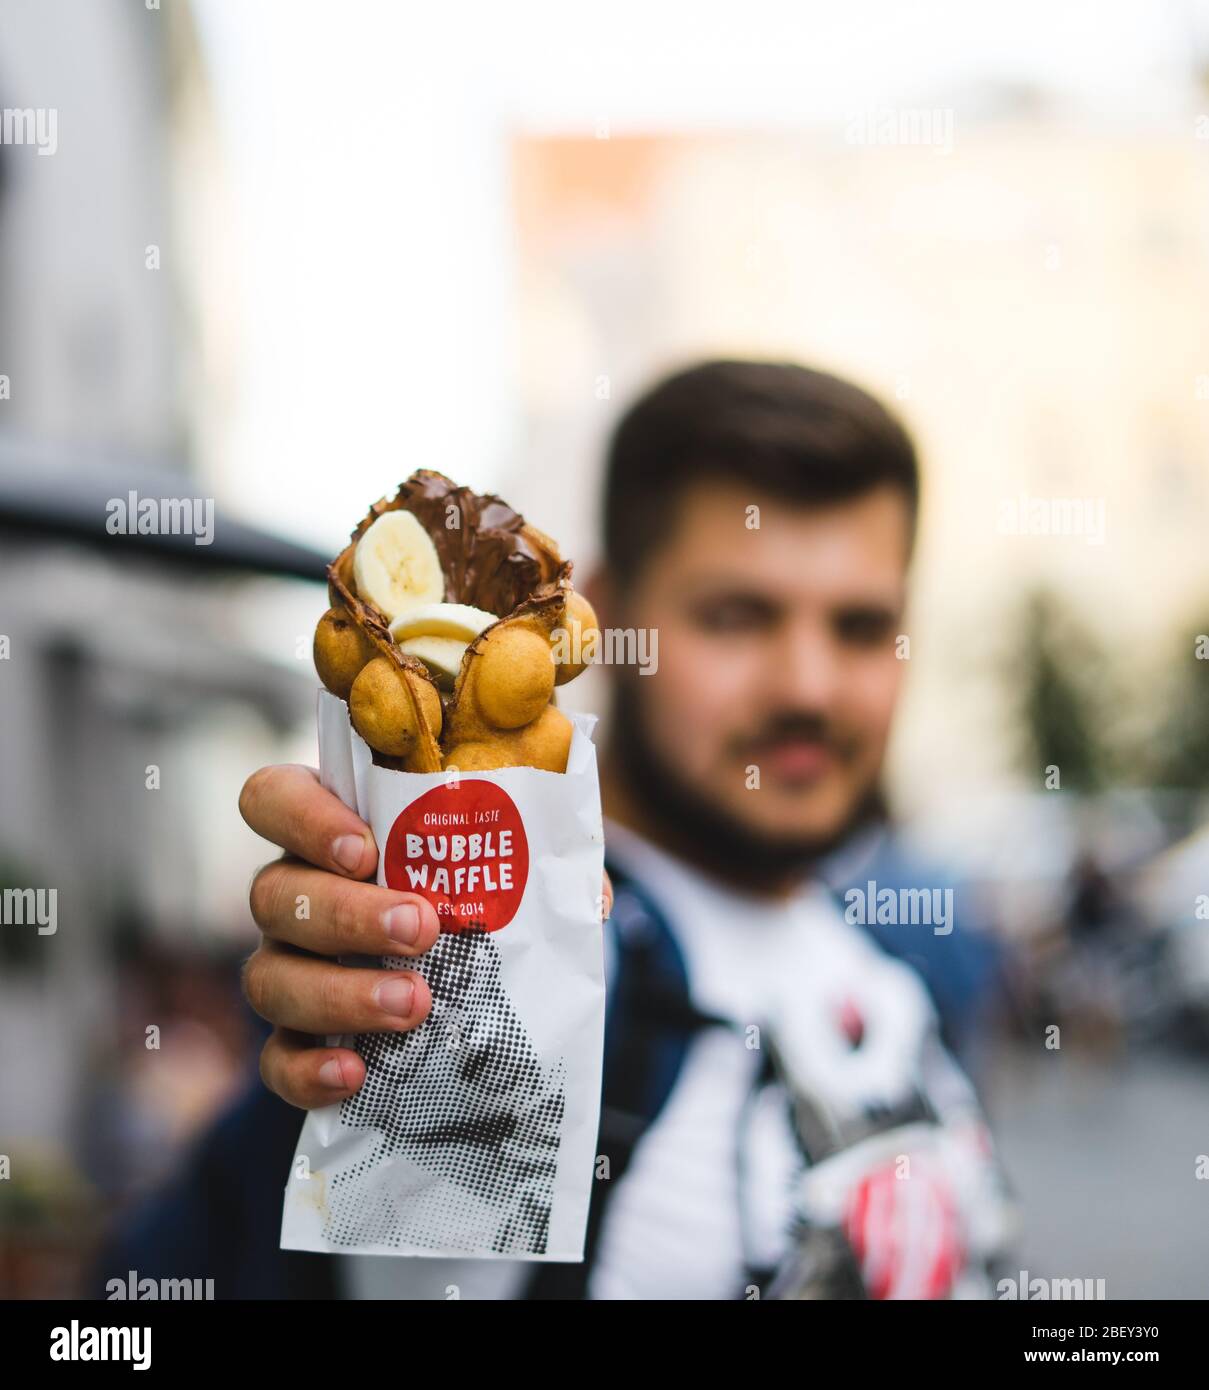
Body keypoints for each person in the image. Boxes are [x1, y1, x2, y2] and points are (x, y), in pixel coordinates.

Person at [95, 359, 1014, 1299]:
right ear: (605, 619)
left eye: (861, 627)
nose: (808, 687)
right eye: (738, 618)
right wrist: (377, 969)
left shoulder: (902, 967)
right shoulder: (555, 964)